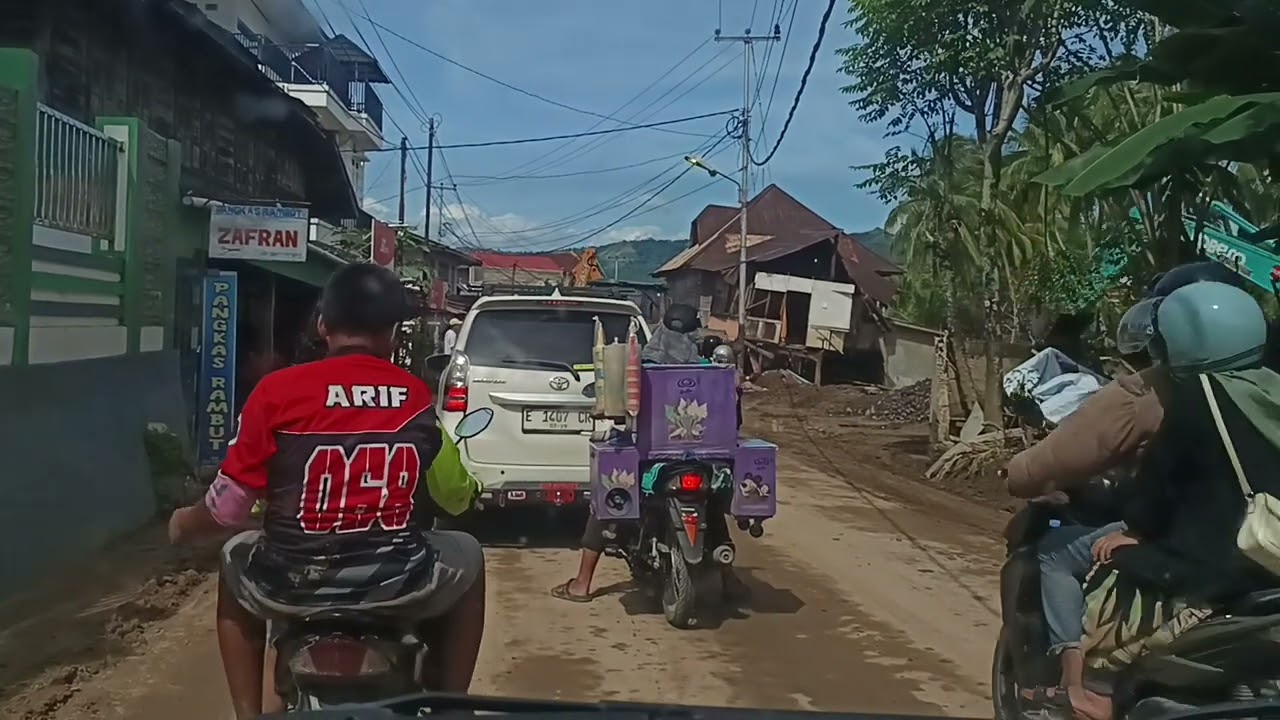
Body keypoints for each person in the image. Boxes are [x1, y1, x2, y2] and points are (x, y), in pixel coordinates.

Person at [167, 264, 487, 719]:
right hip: (396, 584)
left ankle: (246, 713)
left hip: (290, 584)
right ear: (393, 335)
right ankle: (453, 706)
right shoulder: (415, 396)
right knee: (469, 554)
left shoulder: (276, 392)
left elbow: (229, 508)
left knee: (233, 556)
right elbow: (453, 496)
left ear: (323, 325)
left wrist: (183, 523)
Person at [1004, 260, 1245, 707]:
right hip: (1254, 537)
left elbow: (1075, 458)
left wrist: (1017, 472)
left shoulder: (1157, 392)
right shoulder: (1263, 383)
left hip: (1191, 539)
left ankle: (1075, 687)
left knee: (1056, 555)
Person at [1066, 280, 1280, 720]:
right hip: (1270, 552)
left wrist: (1134, 530)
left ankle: (1100, 692)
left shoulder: (1196, 399)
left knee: (1105, 568)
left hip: (1219, 564)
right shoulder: (1270, 386)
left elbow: (1159, 484)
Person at [552, 303, 733, 603]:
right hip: (702, 455)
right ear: (694, 332)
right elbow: (727, 415)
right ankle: (730, 577)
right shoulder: (711, 371)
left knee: (608, 498)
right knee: (711, 500)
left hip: (650, 454)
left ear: (662, 329)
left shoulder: (640, 366)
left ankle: (582, 583)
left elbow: (620, 408)